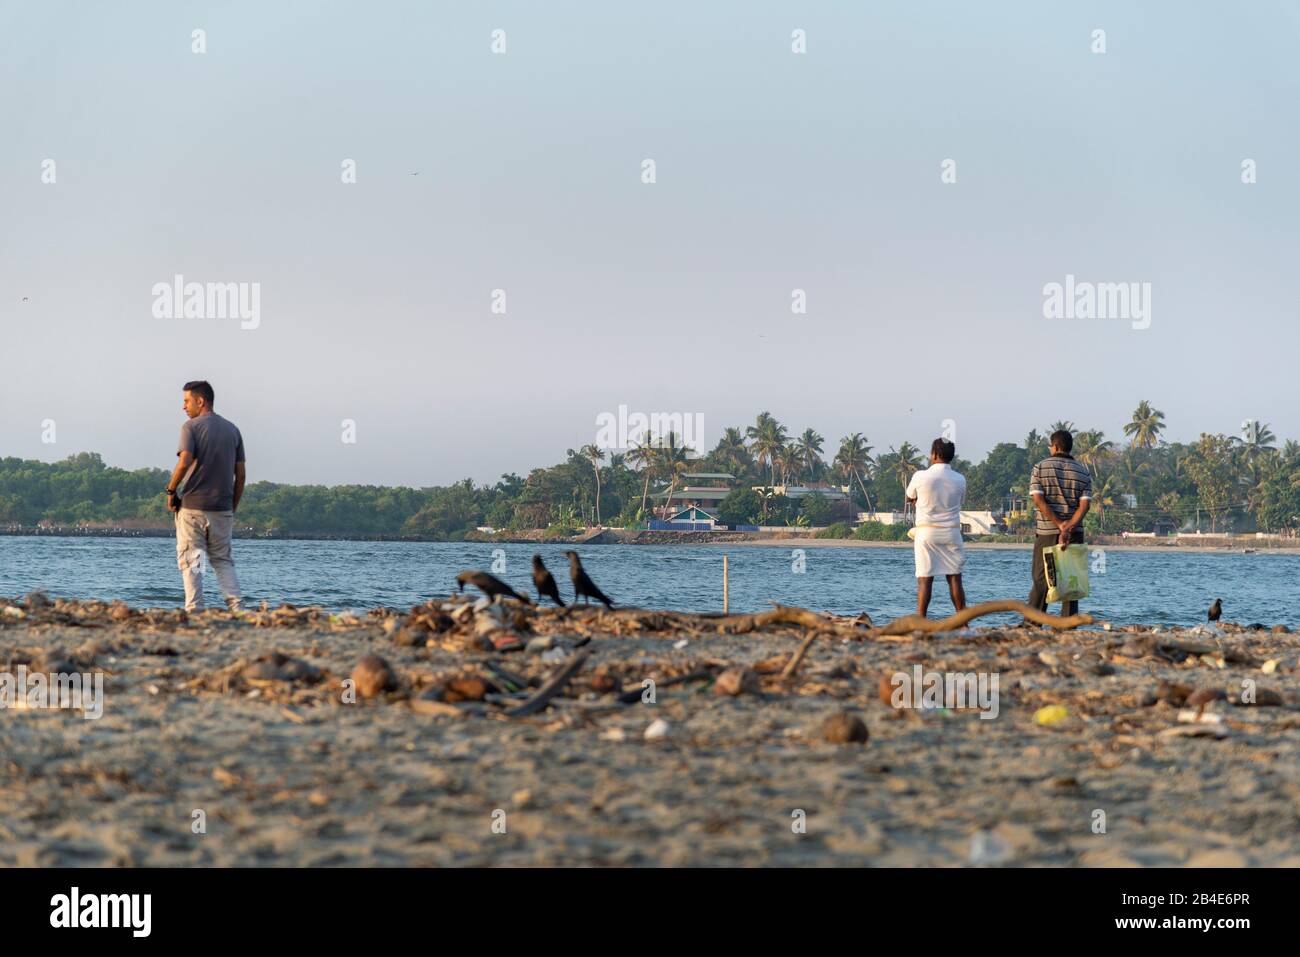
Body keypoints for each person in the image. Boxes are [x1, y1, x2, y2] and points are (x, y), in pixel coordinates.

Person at [165, 380, 246, 612]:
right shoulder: (233, 430)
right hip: (222, 508)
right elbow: (240, 475)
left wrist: (171, 490)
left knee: (193, 561)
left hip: (193, 508)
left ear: (200, 401)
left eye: (186, 401)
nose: (184, 407)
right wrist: (232, 507)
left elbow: (184, 461)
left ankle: (195, 610)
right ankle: (237, 608)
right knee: (222, 561)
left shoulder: (190, 428)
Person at [1027, 428, 1091, 617]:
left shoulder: (1040, 468)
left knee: (1041, 579)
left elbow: (1038, 500)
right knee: (1071, 579)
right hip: (1074, 532)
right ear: (1069, 448)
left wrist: (1058, 523)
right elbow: (1085, 506)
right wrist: (1068, 525)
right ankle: (1068, 624)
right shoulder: (1083, 472)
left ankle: (1033, 622)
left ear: (1054, 447)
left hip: (1047, 531)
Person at [905, 438, 967, 617]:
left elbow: (909, 496)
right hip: (951, 532)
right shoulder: (960, 479)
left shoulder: (920, 476)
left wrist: (918, 501)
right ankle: (963, 623)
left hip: (926, 532)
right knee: (954, 578)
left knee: (925, 580)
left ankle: (921, 620)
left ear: (934, 455)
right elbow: (957, 502)